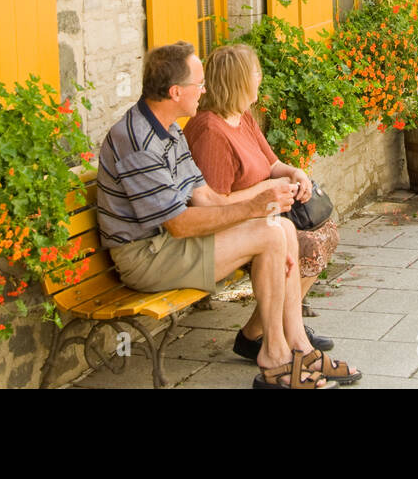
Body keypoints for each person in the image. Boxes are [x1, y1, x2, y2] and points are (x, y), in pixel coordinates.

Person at [96, 41, 359, 388]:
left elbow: (205, 197)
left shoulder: (170, 129)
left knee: (278, 228)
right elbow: (177, 225)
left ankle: (299, 347)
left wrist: (262, 207)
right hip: (146, 258)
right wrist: (253, 206)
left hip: (167, 246)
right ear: (176, 91)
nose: (204, 90)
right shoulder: (138, 141)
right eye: (198, 84)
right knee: (270, 233)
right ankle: (275, 357)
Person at [184, 43, 340, 347]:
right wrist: (266, 190)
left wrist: (295, 173)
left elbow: (273, 164)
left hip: (262, 213)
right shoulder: (210, 132)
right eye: (255, 72)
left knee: (325, 231)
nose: (260, 77)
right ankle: (275, 334)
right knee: (305, 243)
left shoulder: (242, 116)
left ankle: (262, 330)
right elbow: (213, 204)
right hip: (231, 225)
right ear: (239, 80)